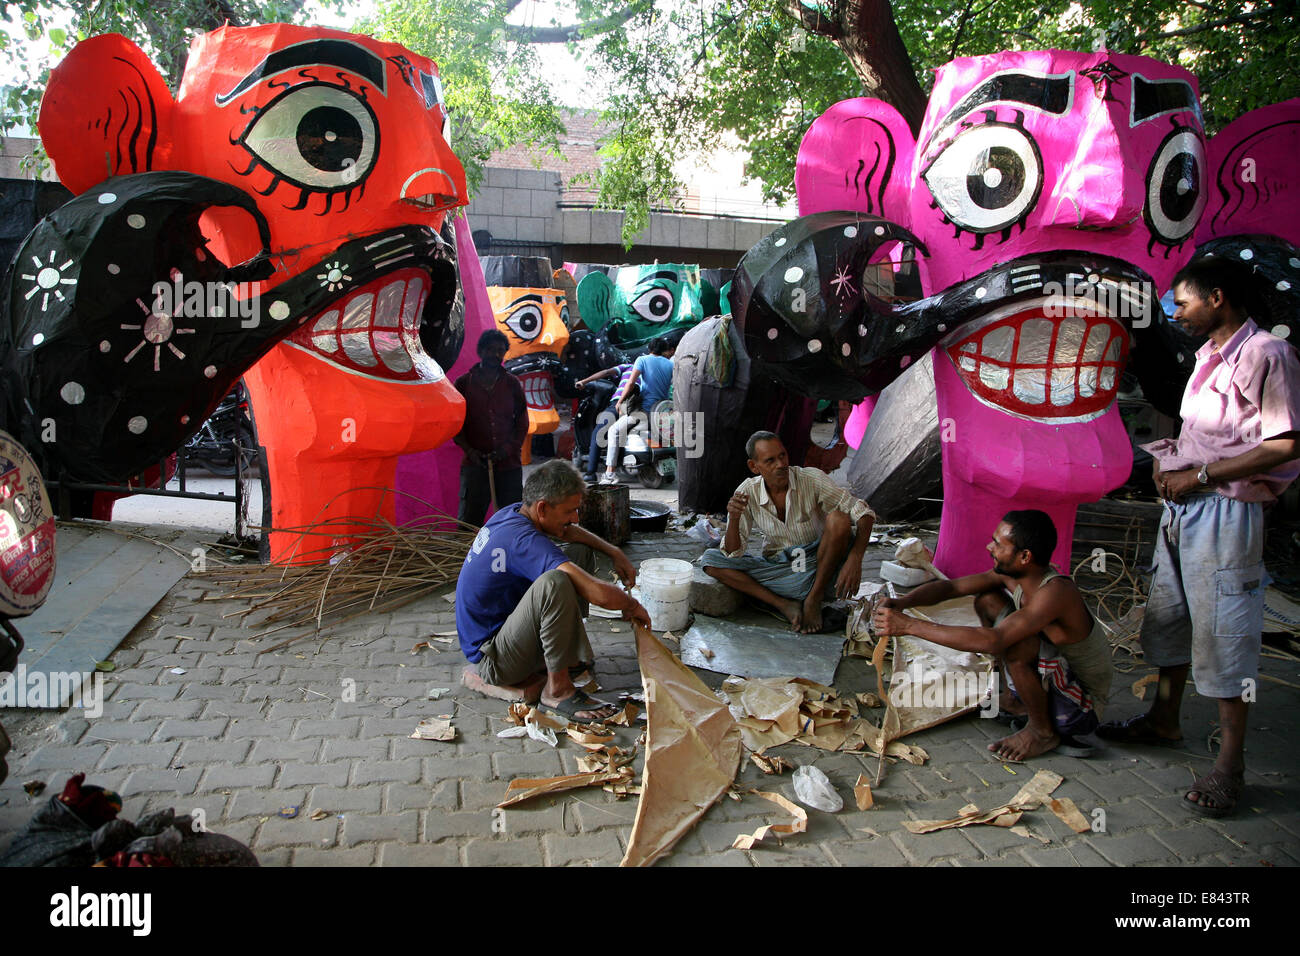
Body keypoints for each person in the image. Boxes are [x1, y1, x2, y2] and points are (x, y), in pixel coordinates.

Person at [1097, 257, 1300, 816]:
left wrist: (1202, 475)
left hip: (1227, 515)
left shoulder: (1268, 355)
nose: (1175, 313)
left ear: (1217, 298)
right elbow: (1197, 436)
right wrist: (1171, 469)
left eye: (1182, 302)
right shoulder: (1208, 355)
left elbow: (1286, 445)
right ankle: (1164, 719)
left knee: (1225, 635)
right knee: (1170, 619)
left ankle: (1230, 764)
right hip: (1183, 508)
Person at [872, 510, 1114, 761]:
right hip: (1055, 675)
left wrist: (908, 626)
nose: (990, 547)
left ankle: (1042, 732)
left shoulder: (1056, 592)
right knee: (987, 600)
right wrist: (902, 603)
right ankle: (1014, 698)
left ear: (1024, 556)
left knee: (1016, 643)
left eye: (998, 544)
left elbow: (995, 640)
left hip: (1082, 706)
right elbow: (953, 587)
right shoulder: (1015, 574)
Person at [455, 459, 652, 721]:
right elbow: (599, 594)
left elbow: (570, 534)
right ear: (543, 508)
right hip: (493, 659)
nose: (575, 518)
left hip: (507, 634)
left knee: (577, 552)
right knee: (555, 582)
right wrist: (632, 605)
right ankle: (557, 690)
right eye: (570, 511)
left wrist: (613, 551)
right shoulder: (522, 540)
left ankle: (568, 657)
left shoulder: (514, 513)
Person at [700, 431, 875, 633]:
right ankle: (783, 604)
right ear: (754, 467)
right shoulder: (747, 492)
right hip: (783, 567)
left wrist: (855, 558)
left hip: (821, 566)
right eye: (770, 460)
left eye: (782, 455)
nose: (781, 464)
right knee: (711, 560)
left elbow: (863, 513)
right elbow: (733, 552)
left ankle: (813, 598)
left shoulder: (810, 479)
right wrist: (734, 519)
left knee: (839, 519)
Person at [453, 330, 529, 525]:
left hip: (508, 465)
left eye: (500, 351)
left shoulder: (512, 383)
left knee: (511, 520)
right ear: (481, 351)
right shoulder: (463, 384)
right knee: (469, 522)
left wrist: (507, 450)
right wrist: (470, 451)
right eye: (491, 350)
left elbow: (522, 423)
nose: (496, 355)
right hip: (474, 466)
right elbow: (455, 425)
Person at [599, 337, 676, 484]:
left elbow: (631, 383)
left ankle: (610, 473)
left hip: (645, 411)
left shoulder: (643, 360)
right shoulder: (670, 364)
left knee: (614, 430)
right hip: (662, 412)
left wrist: (620, 401)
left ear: (650, 349)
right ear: (665, 350)